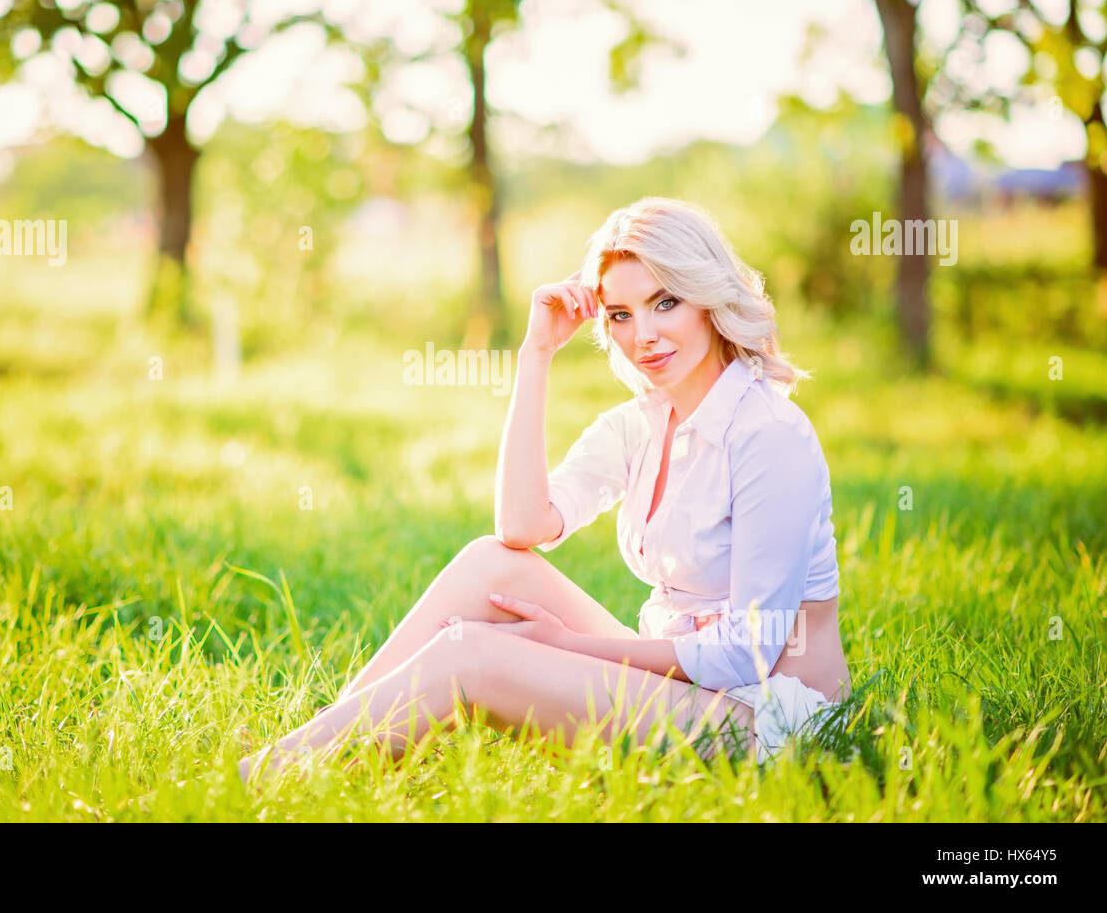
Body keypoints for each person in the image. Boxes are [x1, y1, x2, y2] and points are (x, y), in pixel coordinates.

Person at [237, 197, 852, 785]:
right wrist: (536, 355)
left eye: (665, 302)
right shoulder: (643, 422)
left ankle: (263, 779)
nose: (643, 335)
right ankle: (321, 746)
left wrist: (570, 647)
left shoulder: (769, 435)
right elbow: (521, 528)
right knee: (490, 563)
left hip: (771, 727)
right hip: (692, 690)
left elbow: (748, 654)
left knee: (469, 654)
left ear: (708, 297)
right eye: (620, 314)